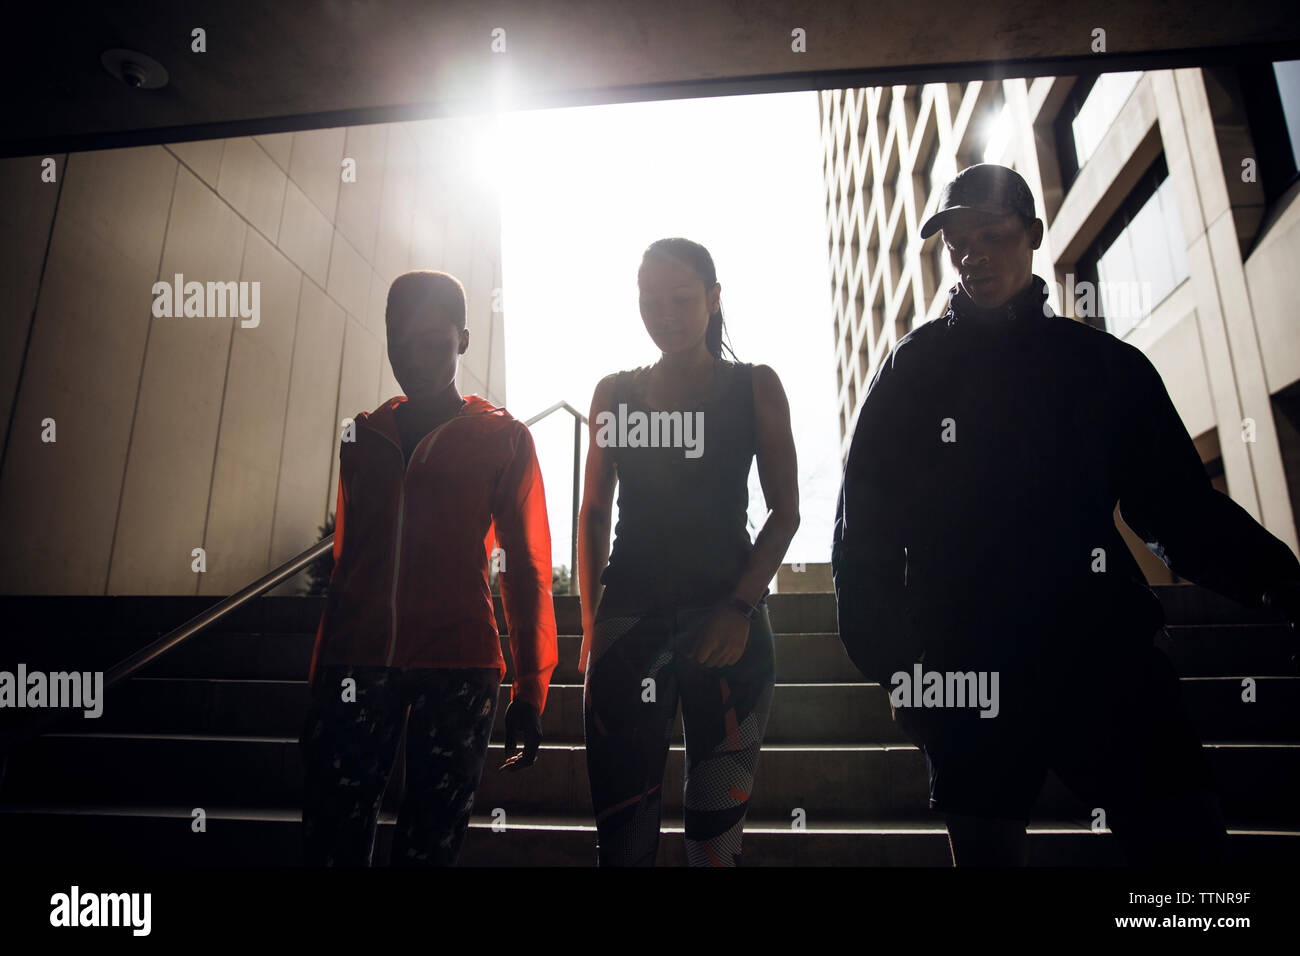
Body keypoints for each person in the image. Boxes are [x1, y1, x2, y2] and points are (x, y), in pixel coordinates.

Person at [831, 163, 1300, 866]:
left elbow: (1174, 505)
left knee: (1189, 854)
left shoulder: (1102, 367)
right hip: (967, 667)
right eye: (958, 242)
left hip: (1100, 651)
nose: (973, 255)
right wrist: (898, 668)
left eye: (991, 234)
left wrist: (1279, 580)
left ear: (1033, 235)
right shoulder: (910, 372)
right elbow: (864, 533)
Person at [300, 270, 558, 866]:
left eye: (435, 342)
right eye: (400, 340)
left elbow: (526, 569)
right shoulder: (362, 435)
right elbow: (348, 560)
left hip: (460, 667)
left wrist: (532, 688)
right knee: (330, 843)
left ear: (463, 340)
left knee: (429, 849)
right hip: (356, 664)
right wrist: (323, 677)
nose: (415, 358)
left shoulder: (503, 438)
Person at [577, 237, 800, 866]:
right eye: (651, 301)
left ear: (713, 298)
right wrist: (592, 630)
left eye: (681, 299)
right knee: (622, 843)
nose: (666, 314)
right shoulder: (613, 393)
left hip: (727, 627)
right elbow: (594, 512)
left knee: (714, 846)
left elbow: (785, 511)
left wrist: (738, 605)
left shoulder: (755, 386)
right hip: (630, 624)